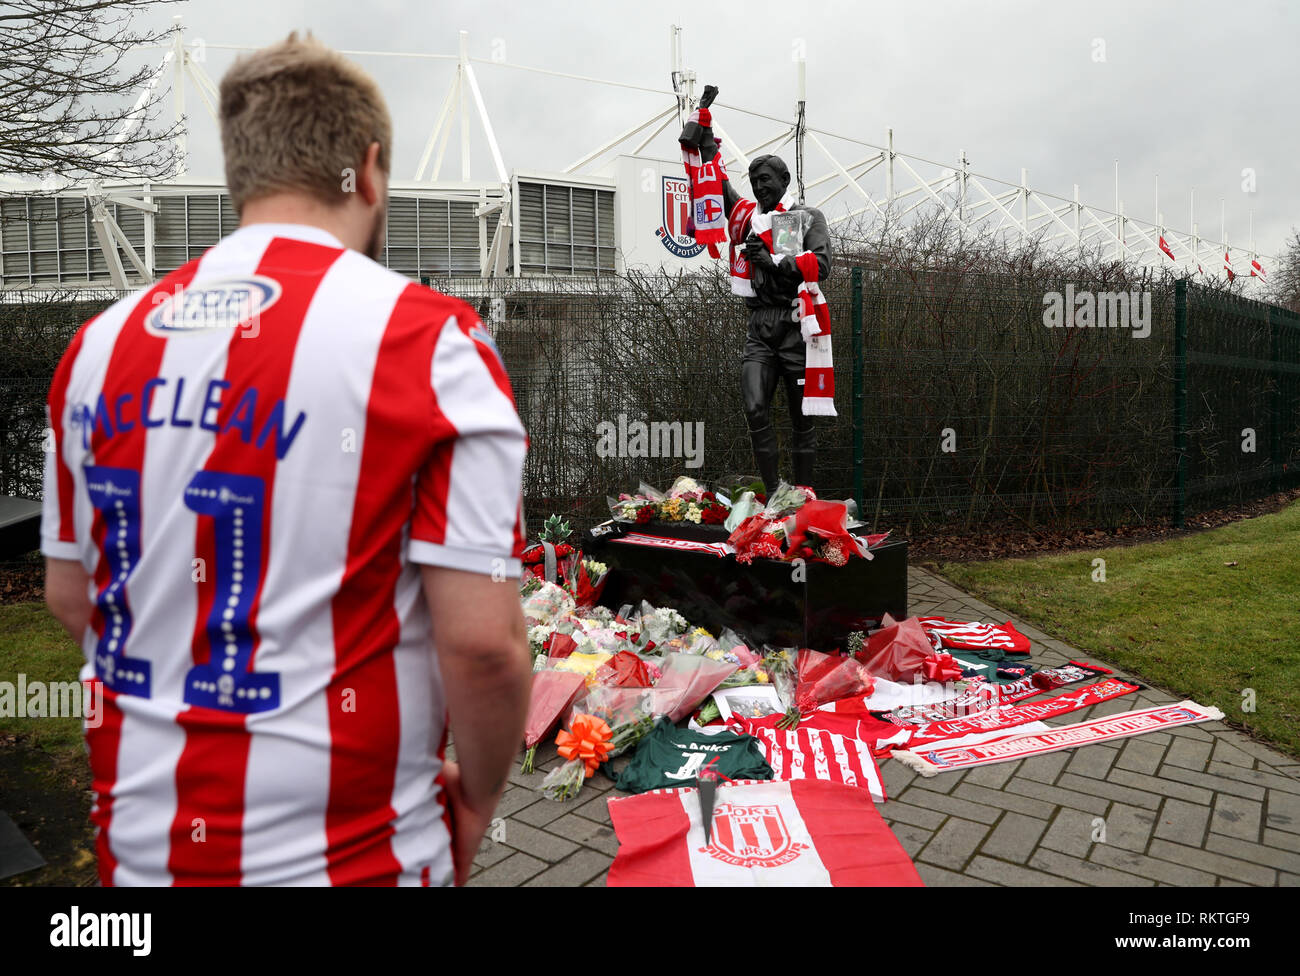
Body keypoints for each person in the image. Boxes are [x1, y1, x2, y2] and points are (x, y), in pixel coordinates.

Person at [40, 32, 531, 887]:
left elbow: (71, 593)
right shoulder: (432, 343)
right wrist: (481, 795)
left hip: (143, 852)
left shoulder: (96, 348)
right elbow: (486, 645)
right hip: (355, 855)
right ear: (369, 170)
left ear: (241, 178)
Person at [679, 85, 832, 491]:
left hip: (796, 325)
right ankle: (772, 498)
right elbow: (716, 181)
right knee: (754, 407)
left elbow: (822, 265)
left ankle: (799, 498)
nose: (759, 187)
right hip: (759, 327)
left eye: (765, 180)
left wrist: (775, 261)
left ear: (784, 179)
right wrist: (702, 124)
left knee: (802, 419)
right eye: (754, 181)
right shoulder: (747, 216)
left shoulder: (804, 216)